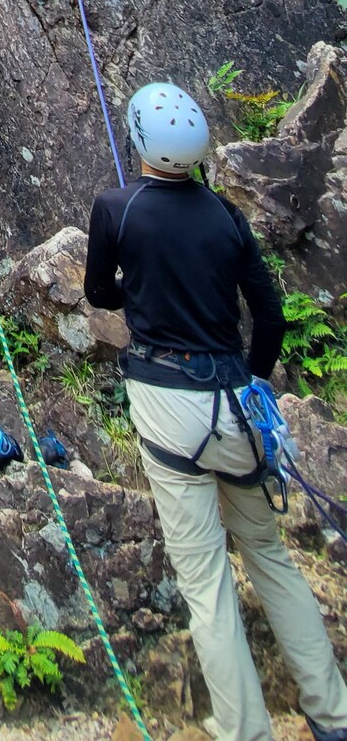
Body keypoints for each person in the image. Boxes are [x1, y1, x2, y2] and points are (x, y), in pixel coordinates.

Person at [84, 82, 347, 741]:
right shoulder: (226, 216)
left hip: (168, 404)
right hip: (237, 405)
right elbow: (271, 316)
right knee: (269, 555)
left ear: (138, 141)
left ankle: (246, 730)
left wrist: (140, 288)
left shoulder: (115, 208)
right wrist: (251, 379)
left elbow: (99, 294)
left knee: (205, 581)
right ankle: (333, 714)